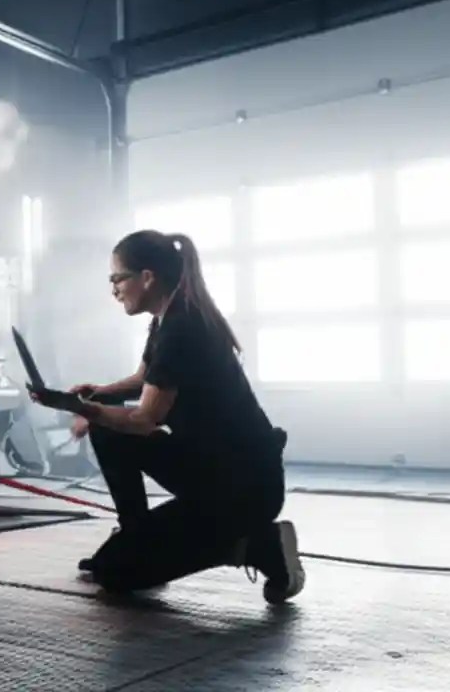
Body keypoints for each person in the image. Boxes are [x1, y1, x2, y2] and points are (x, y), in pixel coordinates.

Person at [28, 230, 305, 604]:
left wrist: (80, 408)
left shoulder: (183, 327)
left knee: (116, 573)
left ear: (147, 277)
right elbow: (145, 379)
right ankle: (134, 534)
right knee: (106, 430)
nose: (113, 289)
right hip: (212, 472)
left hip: (243, 490)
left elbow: (144, 419)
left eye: (117, 279)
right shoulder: (167, 318)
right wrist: (96, 394)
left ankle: (261, 546)